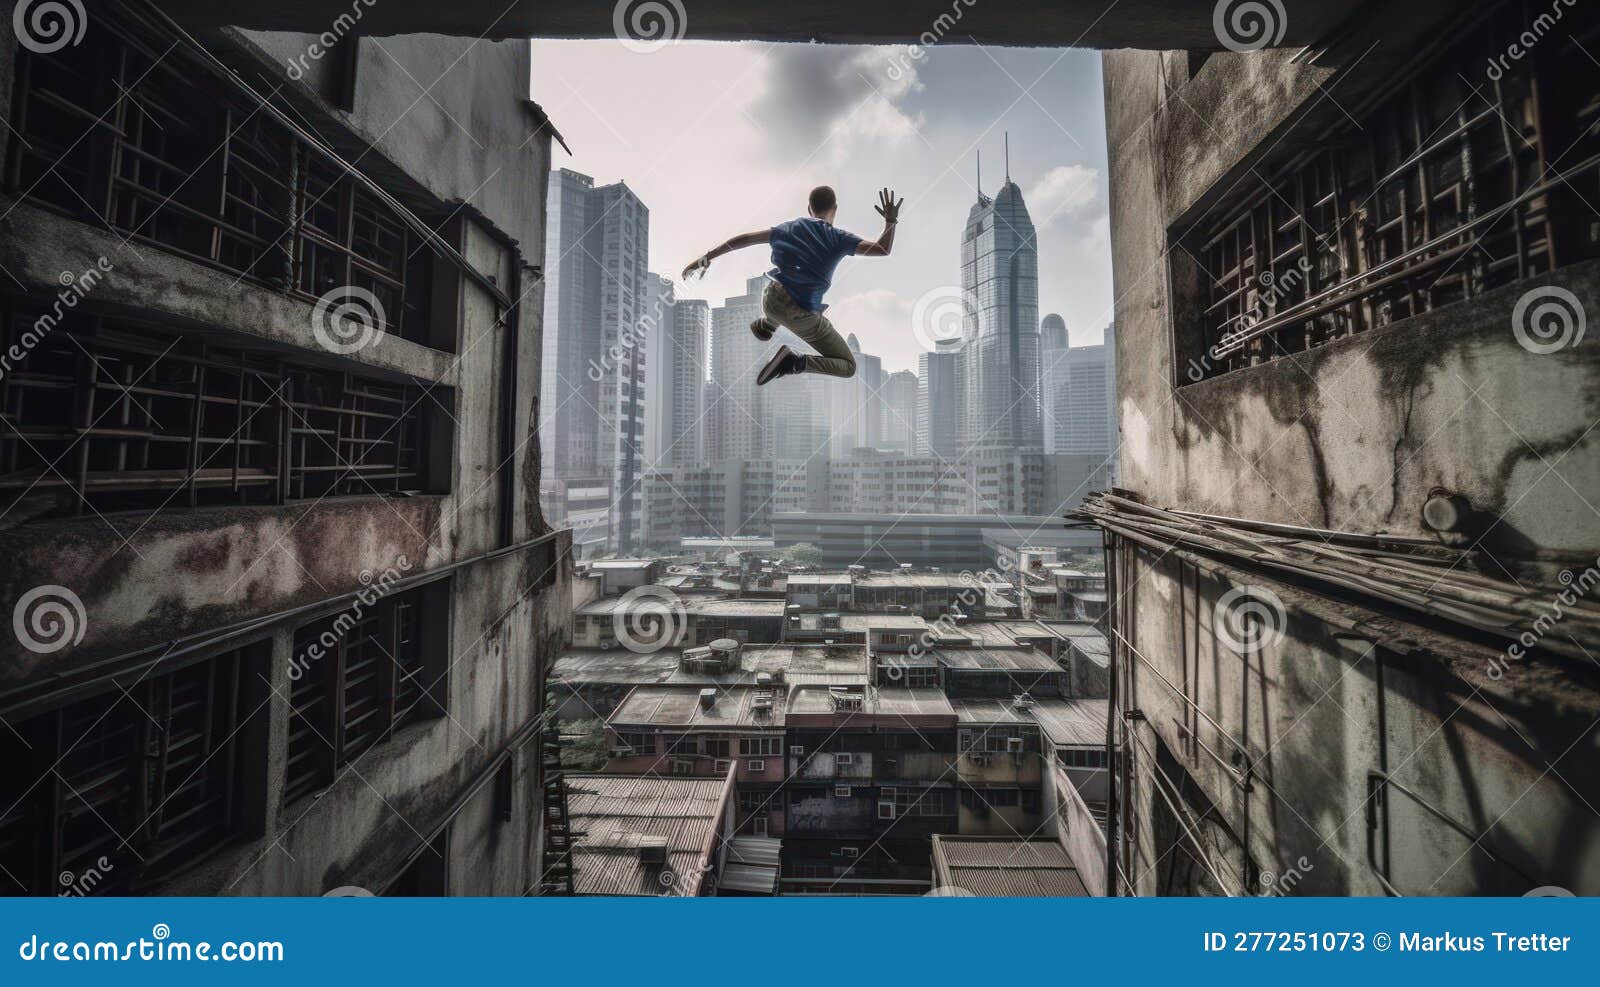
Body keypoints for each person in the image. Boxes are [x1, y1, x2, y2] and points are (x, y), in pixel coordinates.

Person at [682, 186, 902, 385]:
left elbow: (745, 239)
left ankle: (768, 323)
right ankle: (793, 362)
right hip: (800, 316)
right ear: (835, 209)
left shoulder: (787, 228)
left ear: (809, 209)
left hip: (770, 299)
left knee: (800, 302)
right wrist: (891, 221)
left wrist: (706, 258)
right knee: (848, 366)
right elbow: (882, 249)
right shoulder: (838, 238)